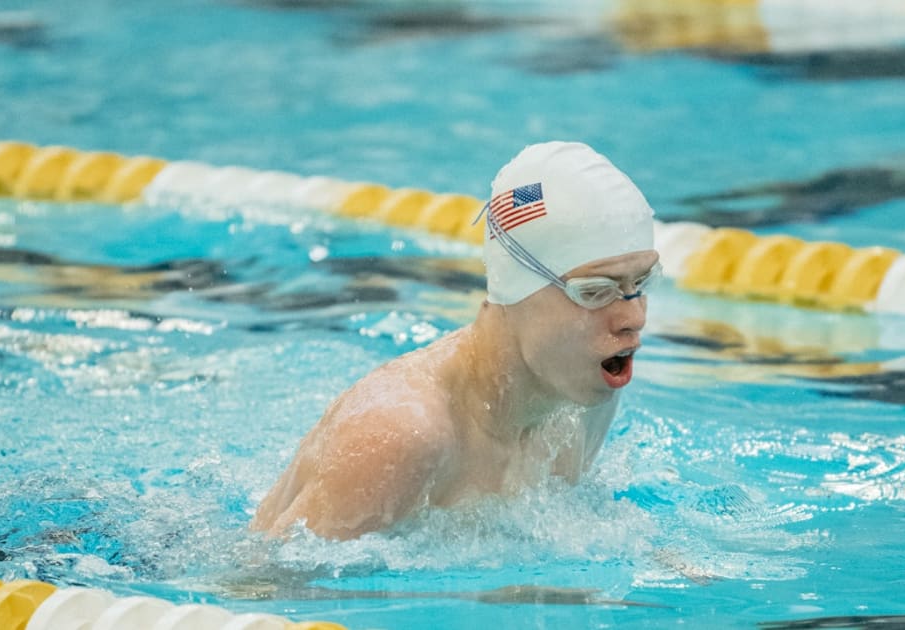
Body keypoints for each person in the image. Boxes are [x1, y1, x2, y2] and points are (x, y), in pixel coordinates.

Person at [252, 142, 660, 540]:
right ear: (516, 287)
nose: (634, 317)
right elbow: (265, 577)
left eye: (640, 283)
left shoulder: (581, 396)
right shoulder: (399, 437)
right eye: (595, 292)